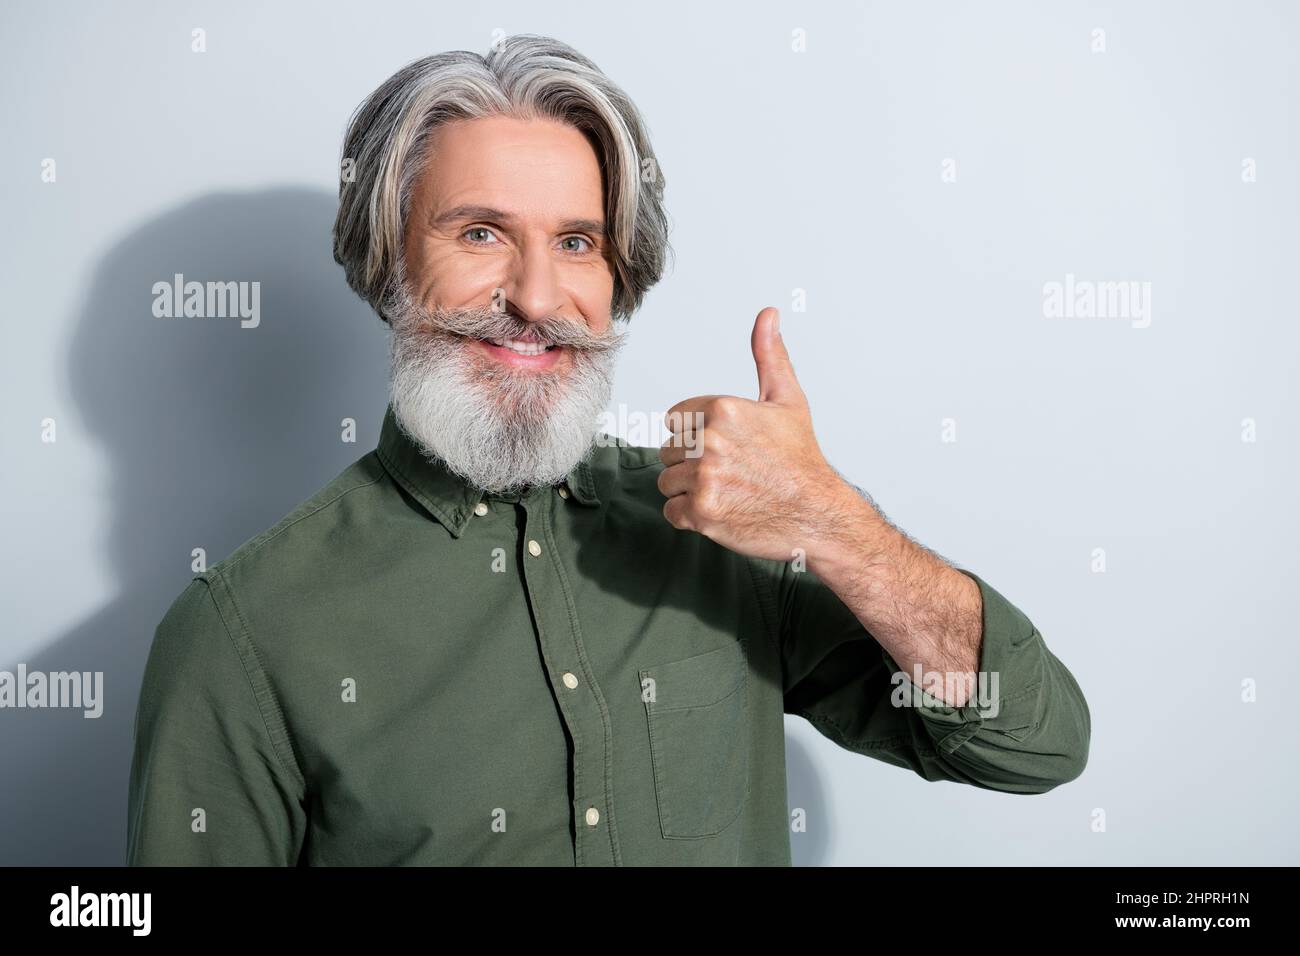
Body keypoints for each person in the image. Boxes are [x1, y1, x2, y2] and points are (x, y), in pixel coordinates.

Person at [127, 34, 1090, 866]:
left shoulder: (727, 538)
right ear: (388, 260)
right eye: (479, 233)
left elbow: (1035, 744)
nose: (540, 300)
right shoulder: (240, 634)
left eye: (578, 243)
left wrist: (830, 523)